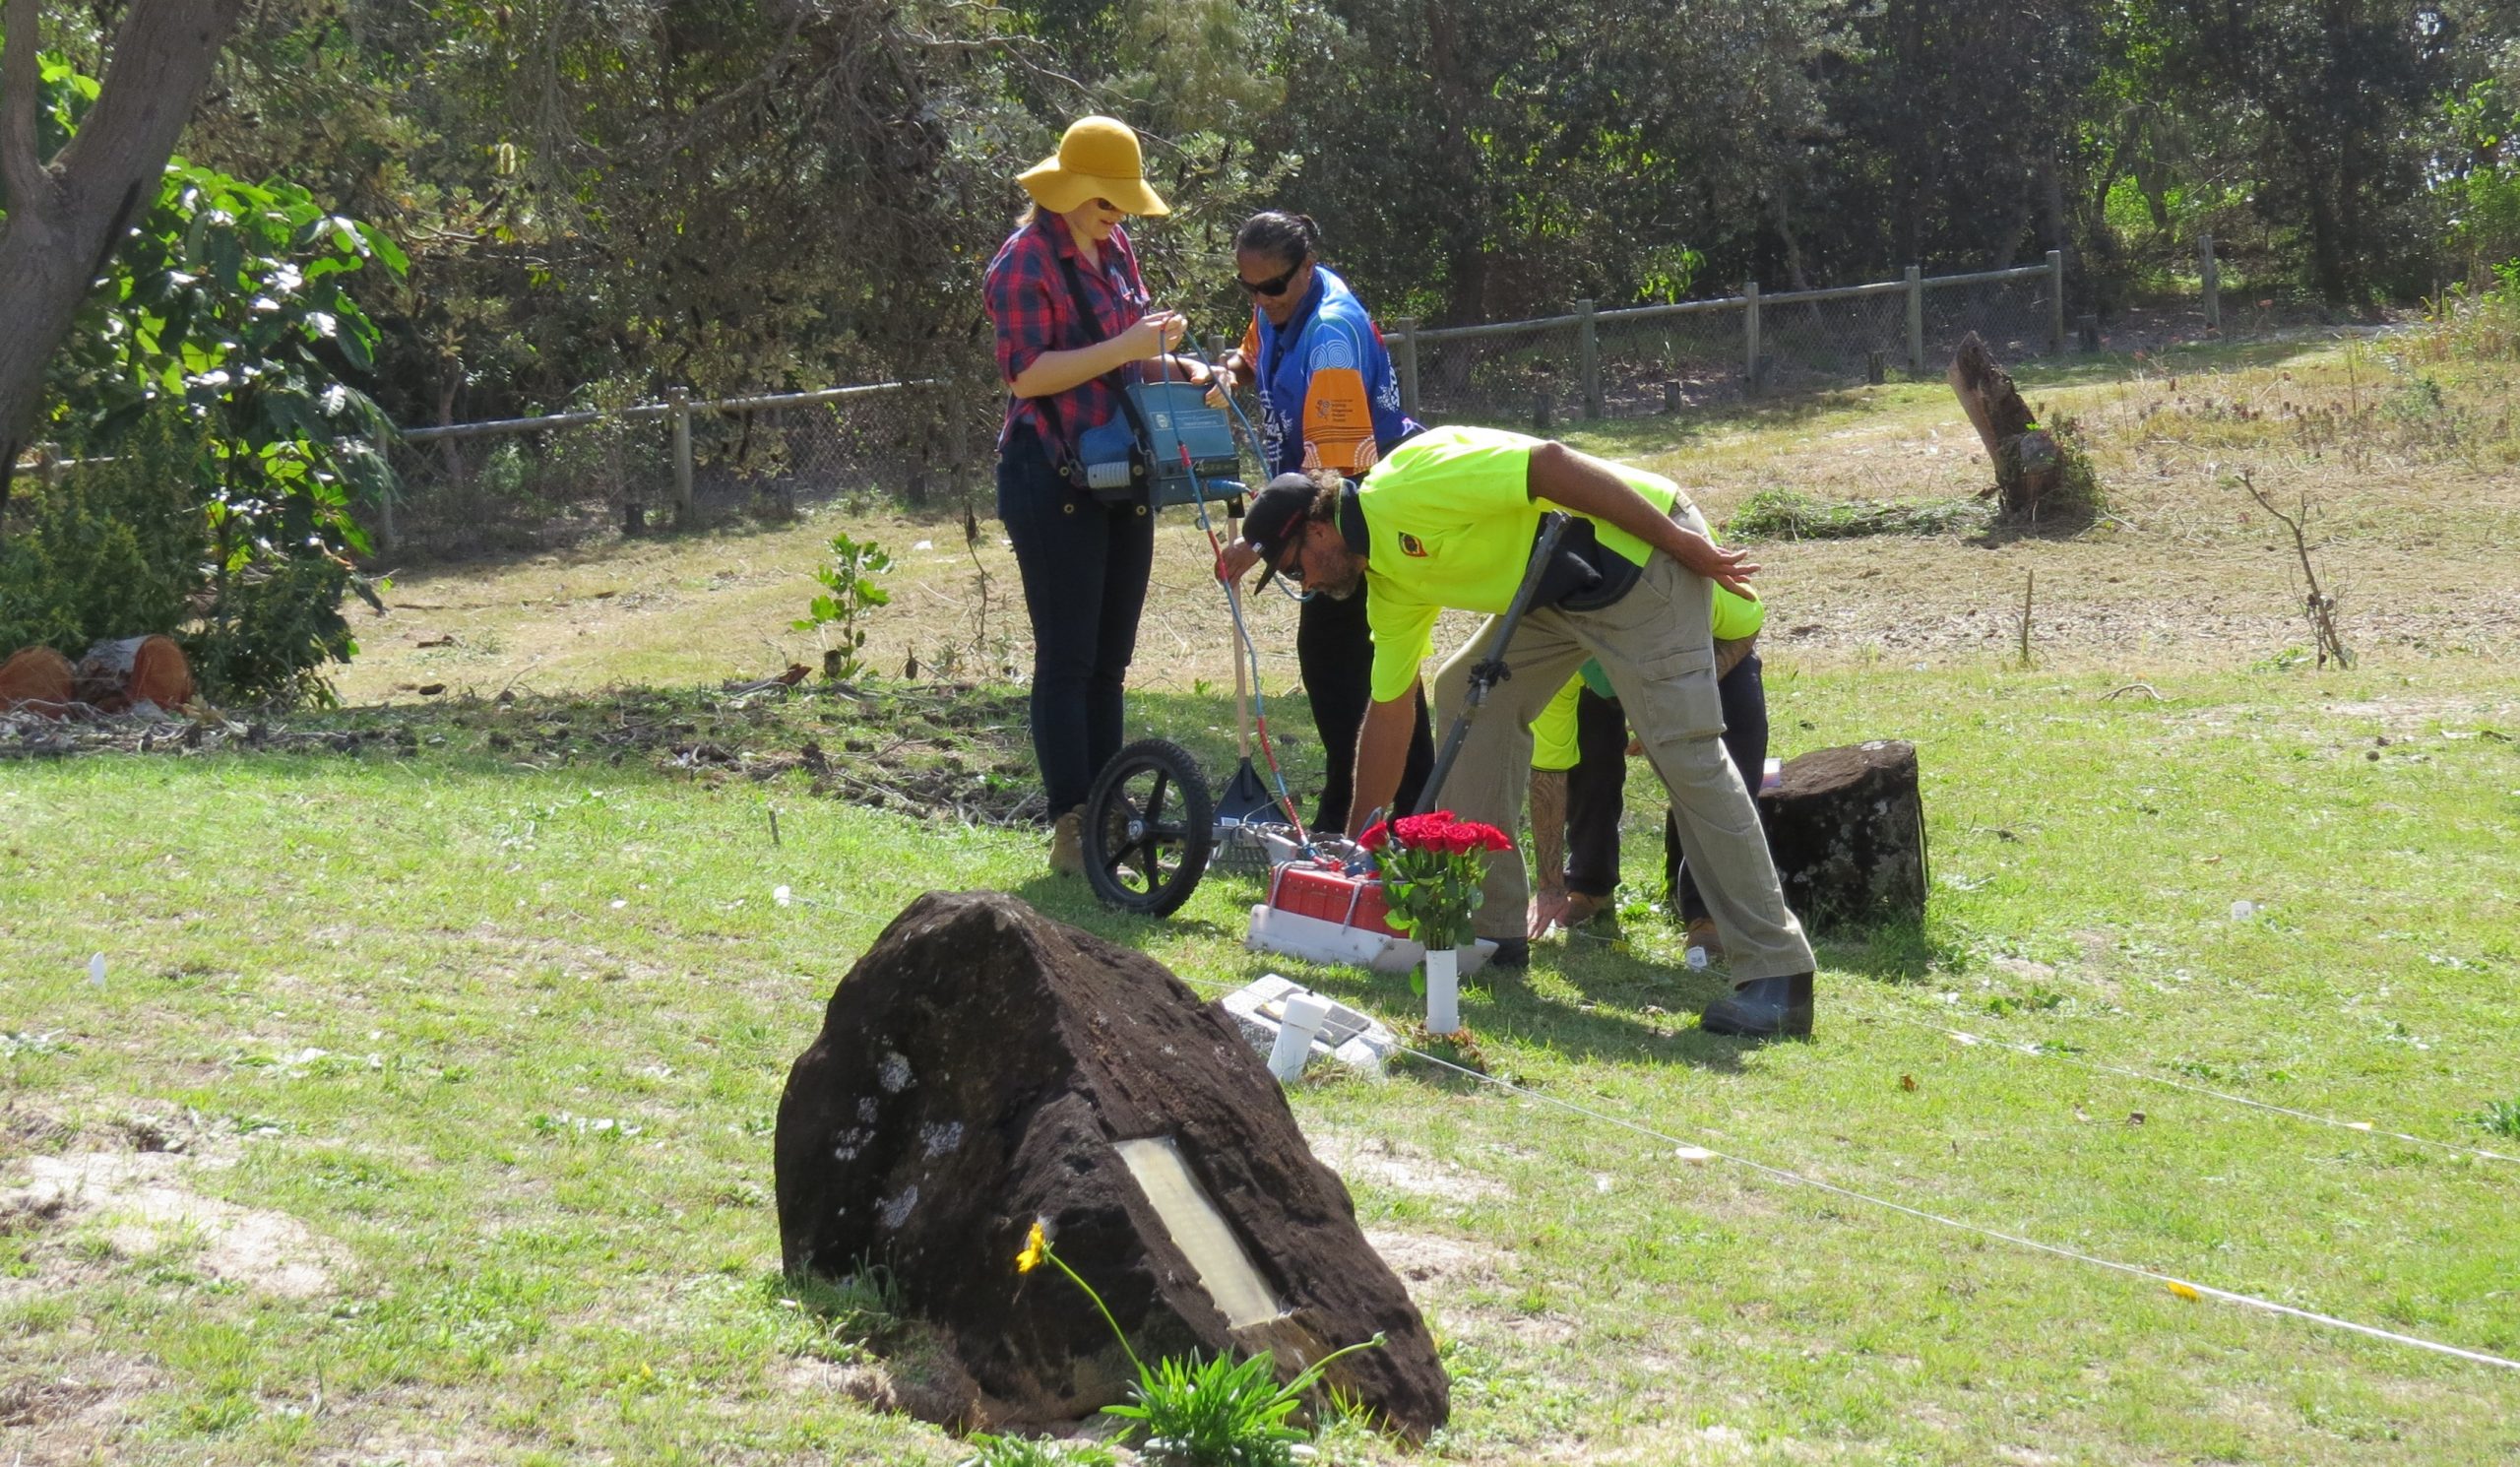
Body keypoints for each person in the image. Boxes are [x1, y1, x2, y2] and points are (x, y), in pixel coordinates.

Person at [1227, 426, 1818, 1038]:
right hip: (1559, 585)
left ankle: (1779, 975)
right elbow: (1390, 711)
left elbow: (1551, 465)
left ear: (1318, 530)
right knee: (1467, 693)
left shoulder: (1409, 485)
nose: (1307, 585)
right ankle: (1492, 931)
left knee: (1685, 753)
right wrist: (1356, 847)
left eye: (1295, 568)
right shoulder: (1390, 581)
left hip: (1641, 555)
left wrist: (1678, 541)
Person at [984, 116, 1209, 874]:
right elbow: (1027, 373)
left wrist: (1185, 370)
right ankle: (1071, 825)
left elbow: (1127, 364)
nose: (1119, 215)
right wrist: (1130, 346)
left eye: (1124, 203)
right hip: (1050, 473)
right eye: (1109, 201)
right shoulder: (1023, 261)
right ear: (1071, 191)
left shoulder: (1115, 250)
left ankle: (1109, 815)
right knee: (1069, 657)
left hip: (1120, 469)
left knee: (1110, 661)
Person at [1208, 212, 1435, 832]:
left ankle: (1378, 821)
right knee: (1352, 670)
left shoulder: (1331, 334)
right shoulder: (1278, 304)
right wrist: (1230, 371)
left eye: (1272, 287)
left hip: (1358, 522)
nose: (1261, 300)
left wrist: (1259, 538)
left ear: (1307, 267)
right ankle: (1385, 814)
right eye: (1248, 287)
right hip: (1324, 510)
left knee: (1350, 674)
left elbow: (1328, 487)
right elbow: (1254, 353)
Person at [1526, 606, 1769, 967]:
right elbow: (1549, 774)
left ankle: (1709, 911)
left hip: (1709, 652)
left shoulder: (1684, 594)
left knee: (1728, 767)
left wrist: (1671, 707)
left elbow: (1747, 624)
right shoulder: (1562, 665)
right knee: (1588, 753)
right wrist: (1549, 885)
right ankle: (1588, 883)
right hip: (1606, 654)